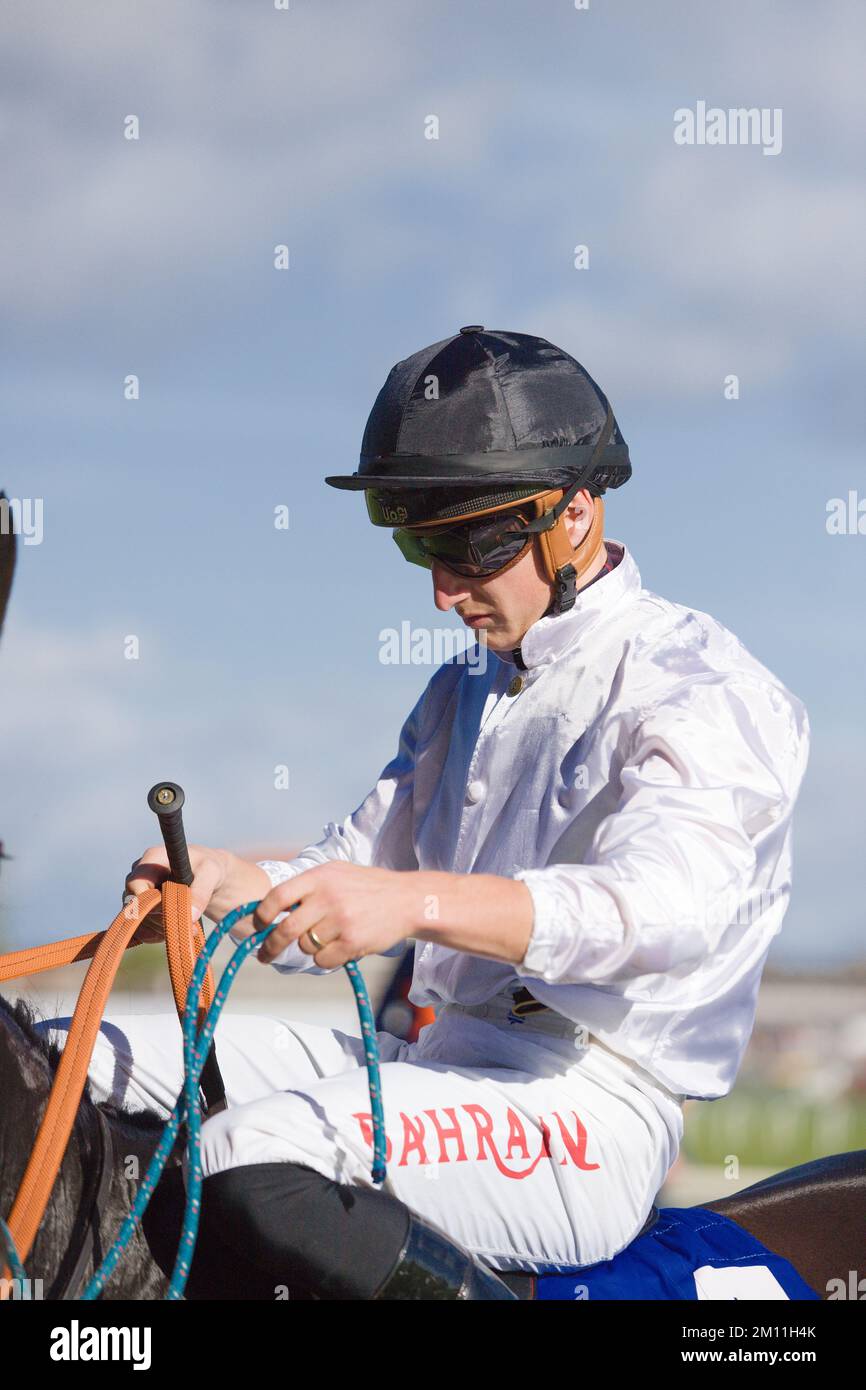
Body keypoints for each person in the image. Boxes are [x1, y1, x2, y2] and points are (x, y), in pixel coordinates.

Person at [43, 327, 809, 1299]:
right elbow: (348, 869)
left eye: (465, 544)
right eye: (419, 546)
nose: (442, 589)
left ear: (572, 512)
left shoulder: (703, 686)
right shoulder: (461, 693)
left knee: (255, 1163)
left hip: (582, 1105)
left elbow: (660, 913)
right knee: (59, 1049)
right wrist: (235, 887)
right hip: (423, 1055)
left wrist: (414, 905)